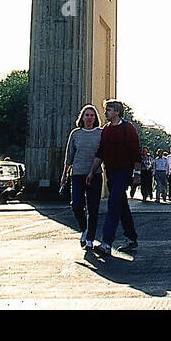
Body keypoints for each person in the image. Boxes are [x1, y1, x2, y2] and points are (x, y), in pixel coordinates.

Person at [89, 99, 140, 254]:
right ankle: (131, 238)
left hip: (124, 172)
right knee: (121, 206)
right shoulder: (106, 130)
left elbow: (135, 152)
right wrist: (92, 172)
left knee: (113, 204)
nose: (106, 112)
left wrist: (137, 173)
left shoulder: (128, 128)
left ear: (117, 112)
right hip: (110, 172)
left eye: (109, 110)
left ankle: (106, 243)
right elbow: (100, 153)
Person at [64, 104, 103, 250]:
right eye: (87, 115)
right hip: (78, 174)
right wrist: (64, 175)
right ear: (82, 117)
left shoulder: (100, 133)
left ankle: (90, 240)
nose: (89, 118)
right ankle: (84, 229)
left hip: (95, 175)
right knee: (76, 205)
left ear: (95, 118)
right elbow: (69, 156)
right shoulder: (75, 134)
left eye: (92, 115)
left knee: (93, 208)